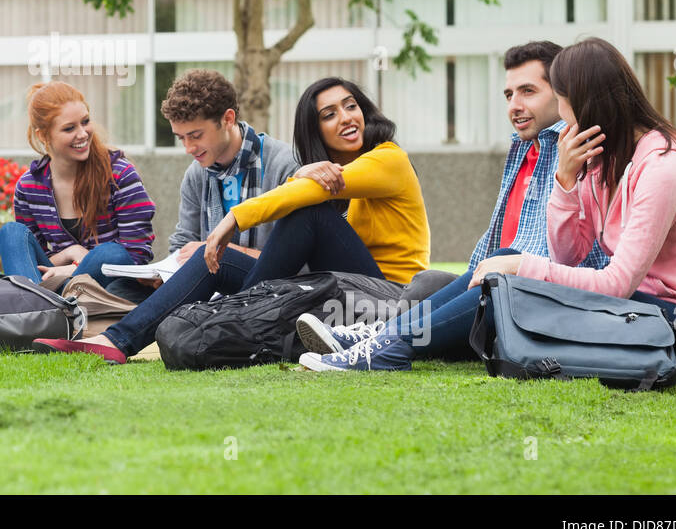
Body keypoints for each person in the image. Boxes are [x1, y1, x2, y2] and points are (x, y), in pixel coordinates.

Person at [301, 37, 676, 373]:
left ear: (585, 100)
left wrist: (520, 269)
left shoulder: (663, 168)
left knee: (509, 280)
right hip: (635, 311)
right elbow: (568, 254)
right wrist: (565, 181)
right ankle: (385, 342)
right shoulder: (601, 162)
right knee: (503, 266)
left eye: (559, 98)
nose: (561, 113)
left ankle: (389, 347)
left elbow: (615, 281)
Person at [33, 74, 428, 363]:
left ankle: (230, 322)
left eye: (350, 106)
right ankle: (117, 341)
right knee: (212, 257)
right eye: (329, 114)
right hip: (338, 288)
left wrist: (232, 221)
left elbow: (305, 208)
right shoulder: (327, 173)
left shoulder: (387, 159)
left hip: (390, 298)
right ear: (316, 128)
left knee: (307, 215)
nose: (344, 118)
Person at [295, 40, 608, 353]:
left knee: (489, 281)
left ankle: (384, 345)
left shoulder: (578, 152)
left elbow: (557, 255)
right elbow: (493, 244)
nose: (514, 105)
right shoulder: (524, 150)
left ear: (562, 93)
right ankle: (381, 335)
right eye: (509, 95)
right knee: (429, 283)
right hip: (498, 280)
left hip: (537, 291)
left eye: (528, 91)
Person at [0, 82, 155, 300]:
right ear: (43, 136)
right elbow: (30, 263)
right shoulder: (29, 187)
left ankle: (45, 311)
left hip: (107, 288)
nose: (82, 134)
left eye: (85, 122)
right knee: (11, 233)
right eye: (69, 128)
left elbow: (136, 255)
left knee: (110, 252)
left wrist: (72, 270)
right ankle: (43, 309)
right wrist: (70, 253)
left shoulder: (119, 175)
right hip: (53, 287)